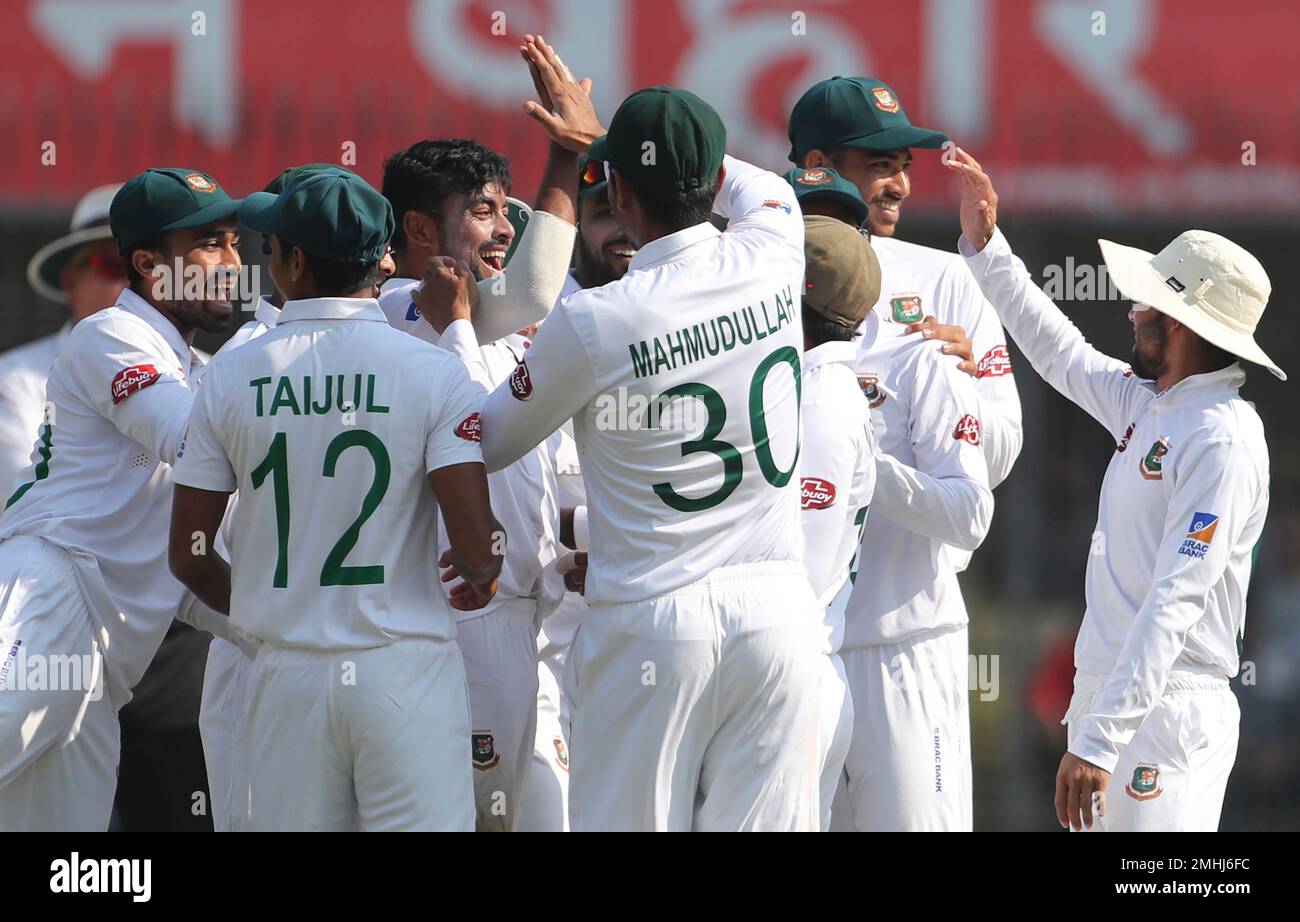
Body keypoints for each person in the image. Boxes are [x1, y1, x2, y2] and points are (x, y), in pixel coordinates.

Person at [470, 75, 824, 831]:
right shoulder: (777, 241)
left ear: (620, 189)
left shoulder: (596, 318)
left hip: (653, 626)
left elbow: (488, 440)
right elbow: (747, 183)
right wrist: (608, 139)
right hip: (781, 619)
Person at [948, 146, 1281, 832]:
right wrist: (987, 247)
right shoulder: (1149, 403)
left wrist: (1099, 741)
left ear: (1182, 323)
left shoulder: (1222, 437)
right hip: (1114, 701)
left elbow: (1177, 598)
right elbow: (1060, 353)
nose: (1131, 312)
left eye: (1147, 302)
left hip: (1170, 710)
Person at [169, 168, 502, 832]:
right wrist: (483, 574)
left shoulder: (230, 372)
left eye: (270, 249)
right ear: (380, 257)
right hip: (405, 672)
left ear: (293, 262)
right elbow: (476, 548)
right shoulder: (433, 370)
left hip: (285, 674)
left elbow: (190, 557)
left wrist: (274, 611)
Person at [0, 167, 242, 830]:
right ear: (148, 264)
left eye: (234, 241)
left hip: (106, 665)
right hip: (56, 595)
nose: (233, 263)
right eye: (209, 244)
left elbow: (198, 564)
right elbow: (194, 443)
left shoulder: (209, 371)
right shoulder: (110, 334)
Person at [196, 162, 396, 833]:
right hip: (268, 658)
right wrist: (266, 629)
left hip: (349, 660)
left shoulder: (392, 338)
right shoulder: (242, 362)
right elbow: (202, 548)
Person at [787, 76, 1022, 489]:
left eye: (904, 168)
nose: (902, 187)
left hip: (910, 550)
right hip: (796, 551)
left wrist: (955, 389)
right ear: (818, 166)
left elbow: (1000, 461)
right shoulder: (755, 271)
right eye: (881, 167)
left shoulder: (948, 277)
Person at [795, 215, 880, 831]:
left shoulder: (822, 402)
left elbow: (799, 575)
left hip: (795, 680)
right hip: (795, 679)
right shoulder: (813, 385)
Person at [0, 185, 126, 491]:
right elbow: (24, 491)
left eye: (148, 267)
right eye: (114, 265)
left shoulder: (206, 371)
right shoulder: (15, 380)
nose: (133, 283)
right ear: (72, 280)